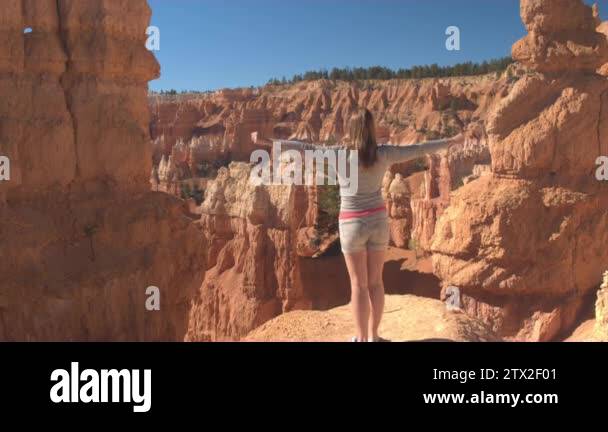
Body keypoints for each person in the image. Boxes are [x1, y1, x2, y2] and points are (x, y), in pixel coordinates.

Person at [252, 108, 467, 342]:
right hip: (378, 222)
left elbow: (304, 149)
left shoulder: (339, 155)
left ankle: (361, 338)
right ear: (371, 129)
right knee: (376, 282)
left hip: (351, 224)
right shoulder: (384, 154)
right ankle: (374, 337)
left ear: (350, 130)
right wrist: (452, 141)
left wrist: (268, 142)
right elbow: (419, 149)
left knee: (359, 285)